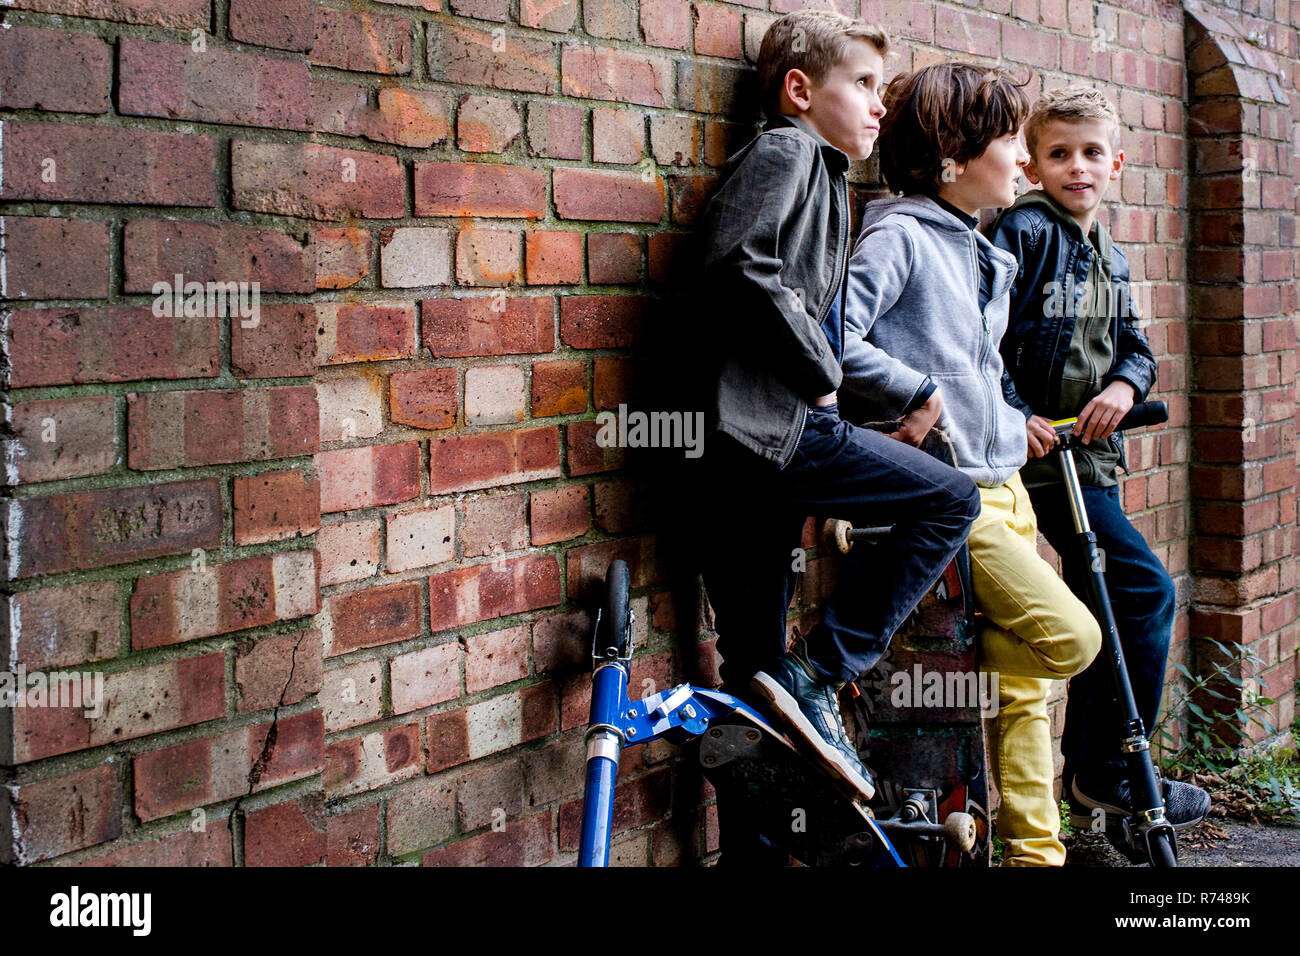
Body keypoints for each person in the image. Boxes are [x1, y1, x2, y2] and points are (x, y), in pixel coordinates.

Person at [681, 10, 980, 826]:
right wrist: (820, 376)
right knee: (950, 499)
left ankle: (762, 840)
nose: (880, 105)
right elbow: (739, 265)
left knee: (753, 684)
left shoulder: (823, 172)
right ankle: (825, 669)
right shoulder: (788, 151)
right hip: (765, 435)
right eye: (864, 85)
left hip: (742, 452)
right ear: (800, 90)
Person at [838, 62, 1103, 866]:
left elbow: (971, 366)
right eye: (1009, 144)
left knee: (1029, 696)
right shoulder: (900, 232)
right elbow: (833, 337)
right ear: (953, 158)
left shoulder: (977, 246)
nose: (1025, 162)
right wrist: (916, 390)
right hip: (955, 495)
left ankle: (1036, 857)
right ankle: (906, 674)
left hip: (1008, 484)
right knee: (1072, 641)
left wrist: (1006, 412)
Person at [987, 85, 1209, 832]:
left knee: (1107, 605)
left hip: (1090, 466)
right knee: (1145, 592)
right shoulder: (1025, 232)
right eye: (1058, 154)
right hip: (1038, 463)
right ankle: (1111, 769)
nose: (1075, 168)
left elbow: (1138, 349)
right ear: (1034, 165)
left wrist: (1123, 382)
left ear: (1115, 162)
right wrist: (1013, 413)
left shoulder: (1110, 253)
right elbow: (978, 339)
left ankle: (1093, 776)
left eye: (1090, 154)